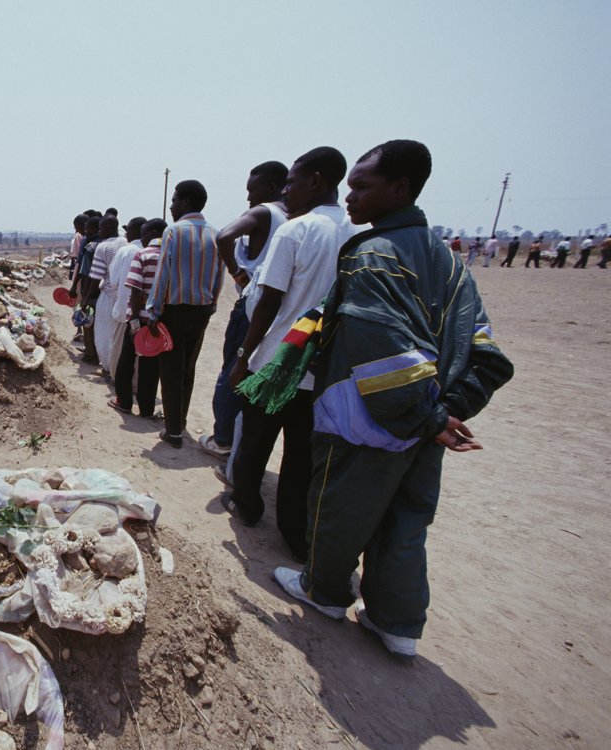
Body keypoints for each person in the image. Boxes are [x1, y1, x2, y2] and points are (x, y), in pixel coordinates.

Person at [272, 140, 513, 658]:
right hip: (429, 421)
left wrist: (425, 416)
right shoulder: (449, 261)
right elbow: (485, 351)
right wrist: (447, 412)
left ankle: (323, 591)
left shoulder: (373, 256)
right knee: (406, 521)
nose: (350, 197)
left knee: (341, 508)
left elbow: (377, 345)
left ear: (400, 189)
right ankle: (397, 623)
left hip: (370, 418)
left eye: (362, 186)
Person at [221, 147, 356, 563]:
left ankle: (247, 506)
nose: (285, 191)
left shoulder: (296, 230)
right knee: (302, 456)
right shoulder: (358, 232)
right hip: (322, 368)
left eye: (292, 182)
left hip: (278, 362)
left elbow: (269, 301)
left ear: (315, 181)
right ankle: (295, 534)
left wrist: (243, 357)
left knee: (255, 441)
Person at [200, 161, 289, 461]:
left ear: (272, 187)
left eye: (253, 190)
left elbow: (224, 236)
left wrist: (238, 274)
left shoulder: (264, 212)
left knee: (234, 368)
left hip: (251, 306)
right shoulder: (294, 218)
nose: (249, 197)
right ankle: (236, 439)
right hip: (276, 310)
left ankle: (223, 439)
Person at [144, 180, 221, 448]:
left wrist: (154, 311)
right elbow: (218, 275)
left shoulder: (174, 231)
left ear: (186, 202)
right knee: (188, 368)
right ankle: (181, 421)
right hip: (201, 310)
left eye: (175, 200)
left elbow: (163, 274)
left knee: (171, 370)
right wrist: (212, 305)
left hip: (174, 311)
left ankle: (173, 431)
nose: (172, 205)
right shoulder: (216, 233)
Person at [111, 218, 166, 417]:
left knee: (127, 361)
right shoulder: (172, 256)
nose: (141, 238)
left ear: (153, 233)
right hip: (159, 322)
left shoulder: (143, 255)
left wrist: (134, 319)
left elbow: (135, 290)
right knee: (151, 366)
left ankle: (124, 401)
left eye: (143, 234)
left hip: (140, 318)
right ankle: (147, 407)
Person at [106, 217, 147, 383]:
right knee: (141, 350)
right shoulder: (152, 251)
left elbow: (113, 281)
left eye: (128, 229)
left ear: (137, 231)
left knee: (119, 347)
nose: (126, 233)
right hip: (145, 313)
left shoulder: (126, 251)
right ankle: (136, 385)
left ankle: (117, 380)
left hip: (124, 308)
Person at [87, 214, 127, 373]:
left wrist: (87, 300)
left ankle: (107, 368)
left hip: (108, 296)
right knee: (119, 336)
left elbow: (96, 277)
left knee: (104, 333)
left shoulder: (103, 247)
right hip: (125, 296)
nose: (99, 231)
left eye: (101, 228)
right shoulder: (126, 242)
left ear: (109, 227)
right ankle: (118, 368)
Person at [70, 215, 103, 363]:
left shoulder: (90, 247)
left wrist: (85, 296)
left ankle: (91, 355)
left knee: (88, 322)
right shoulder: (103, 244)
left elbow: (87, 274)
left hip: (90, 292)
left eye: (86, 228)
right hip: (103, 293)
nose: (84, 231)